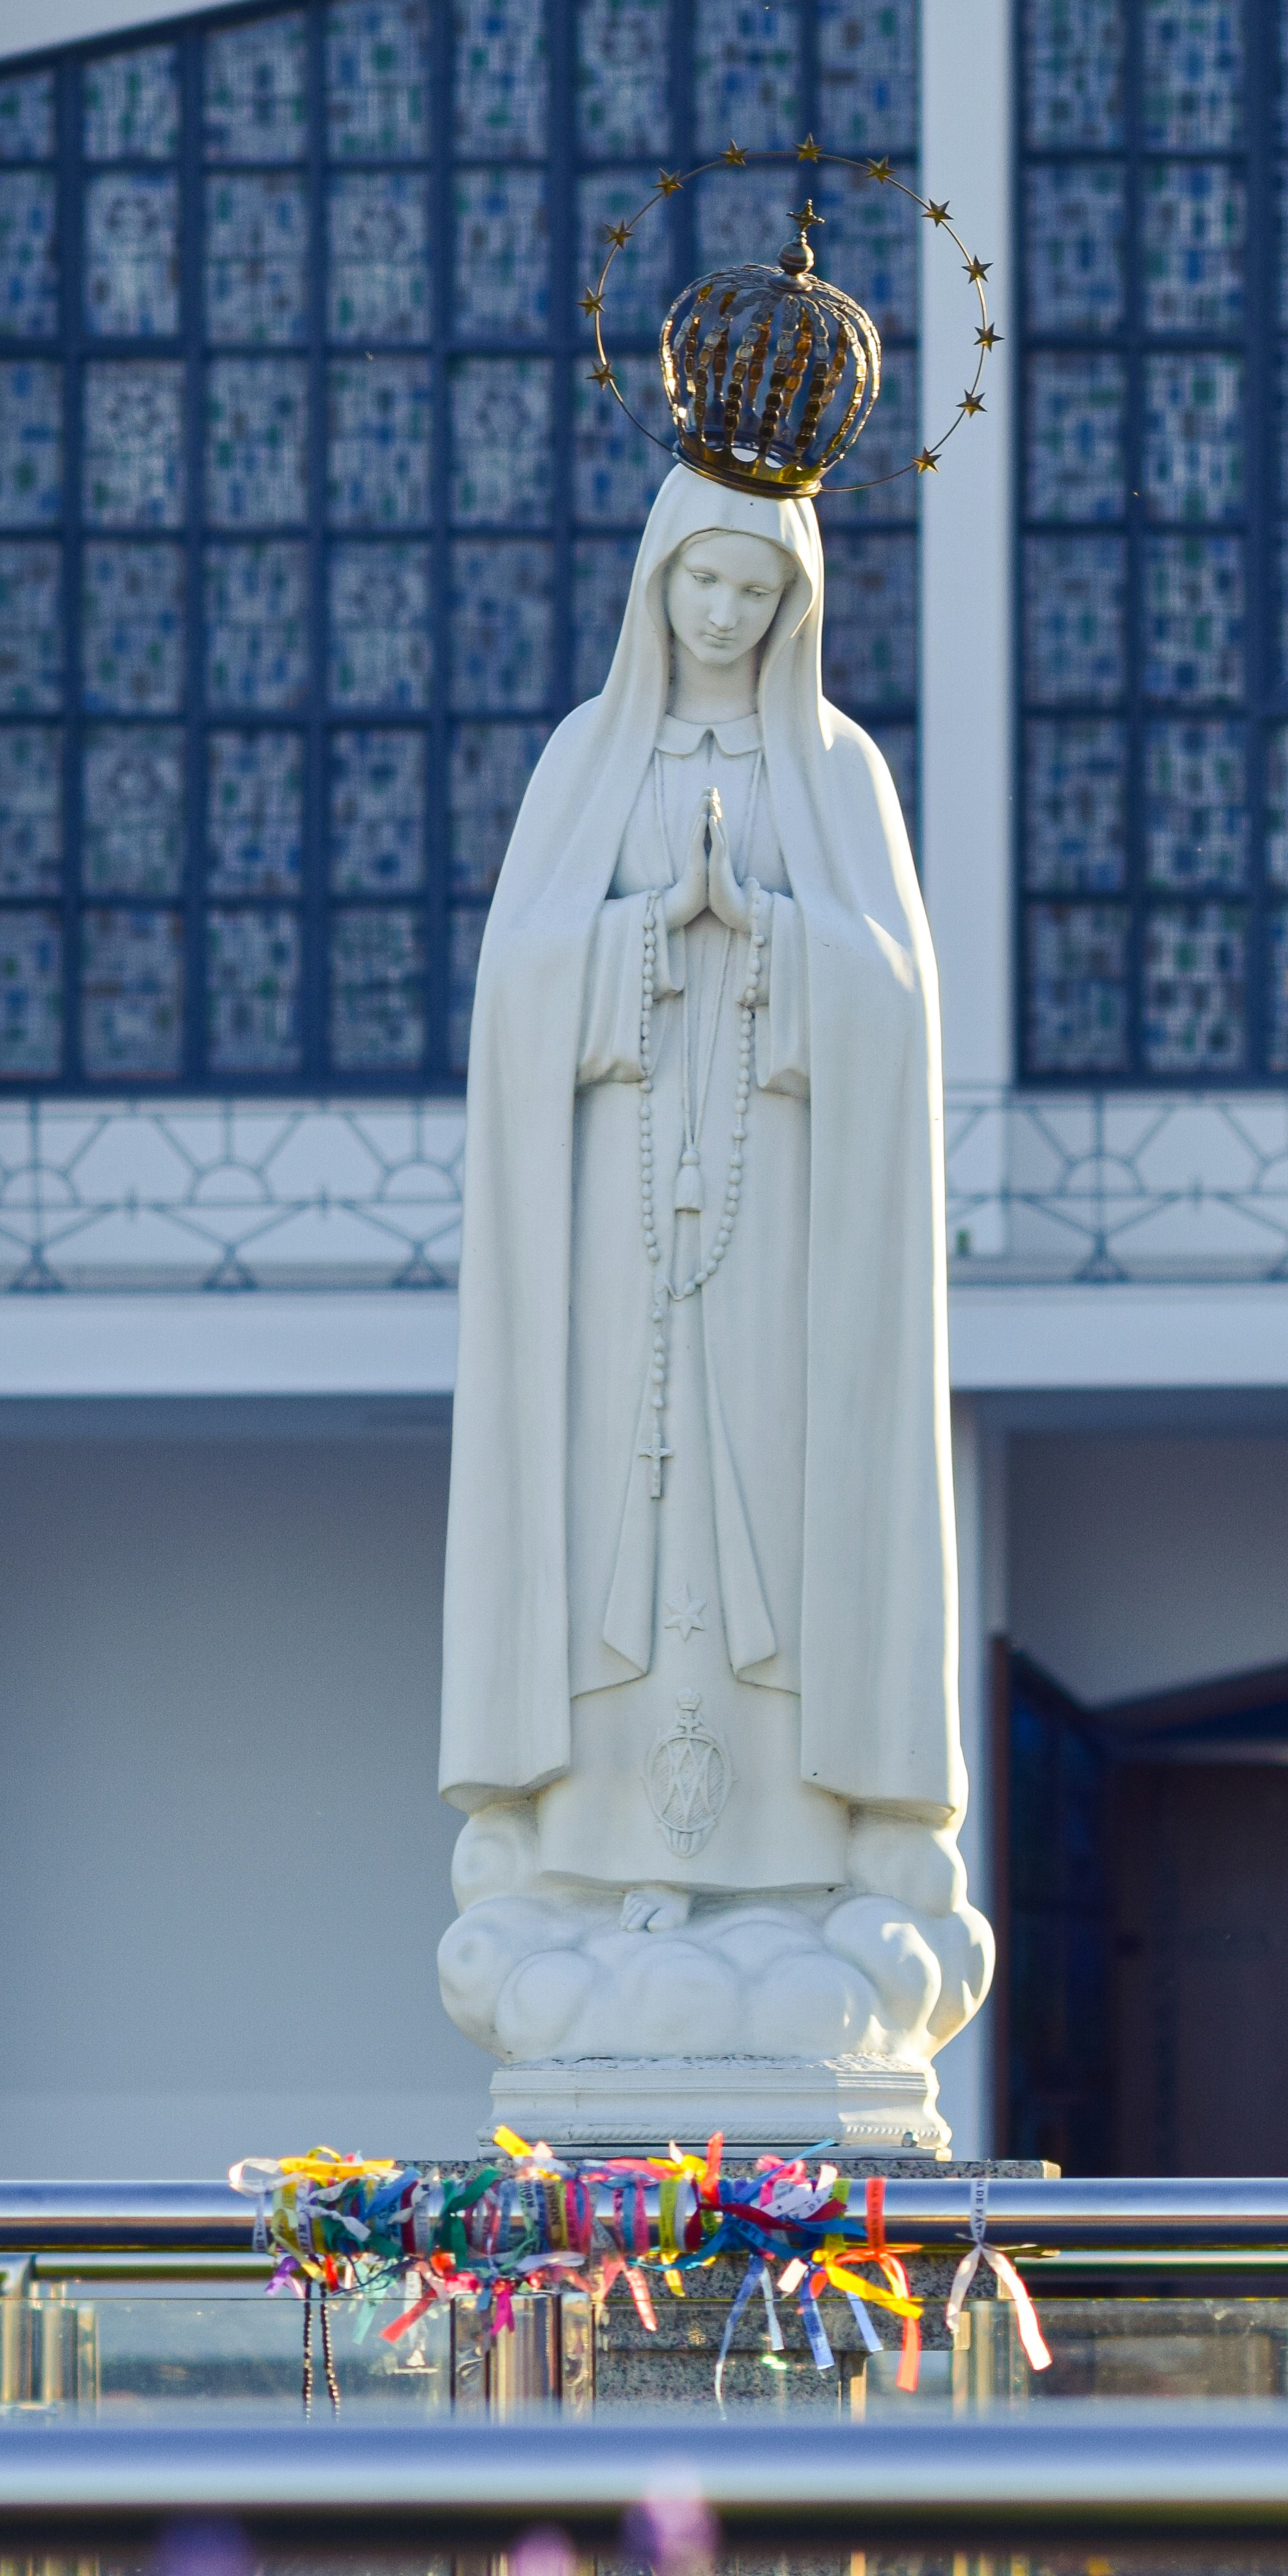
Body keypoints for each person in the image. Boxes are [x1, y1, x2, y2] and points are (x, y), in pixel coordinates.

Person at [434, 447, 989, 2112]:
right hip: (619, 1241)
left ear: (797, 606)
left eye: (760, 594)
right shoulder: (580, 768)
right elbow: (513, 993)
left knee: (780, 1530)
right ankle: (611, 1861)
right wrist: (636, 939)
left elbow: (896, 1011)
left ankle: (791, 1863)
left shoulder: (840, 773)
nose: (730, 615)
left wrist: (768, 938)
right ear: (656, 586)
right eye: (706, 585)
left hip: (780, 1248)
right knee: (625, 1515)